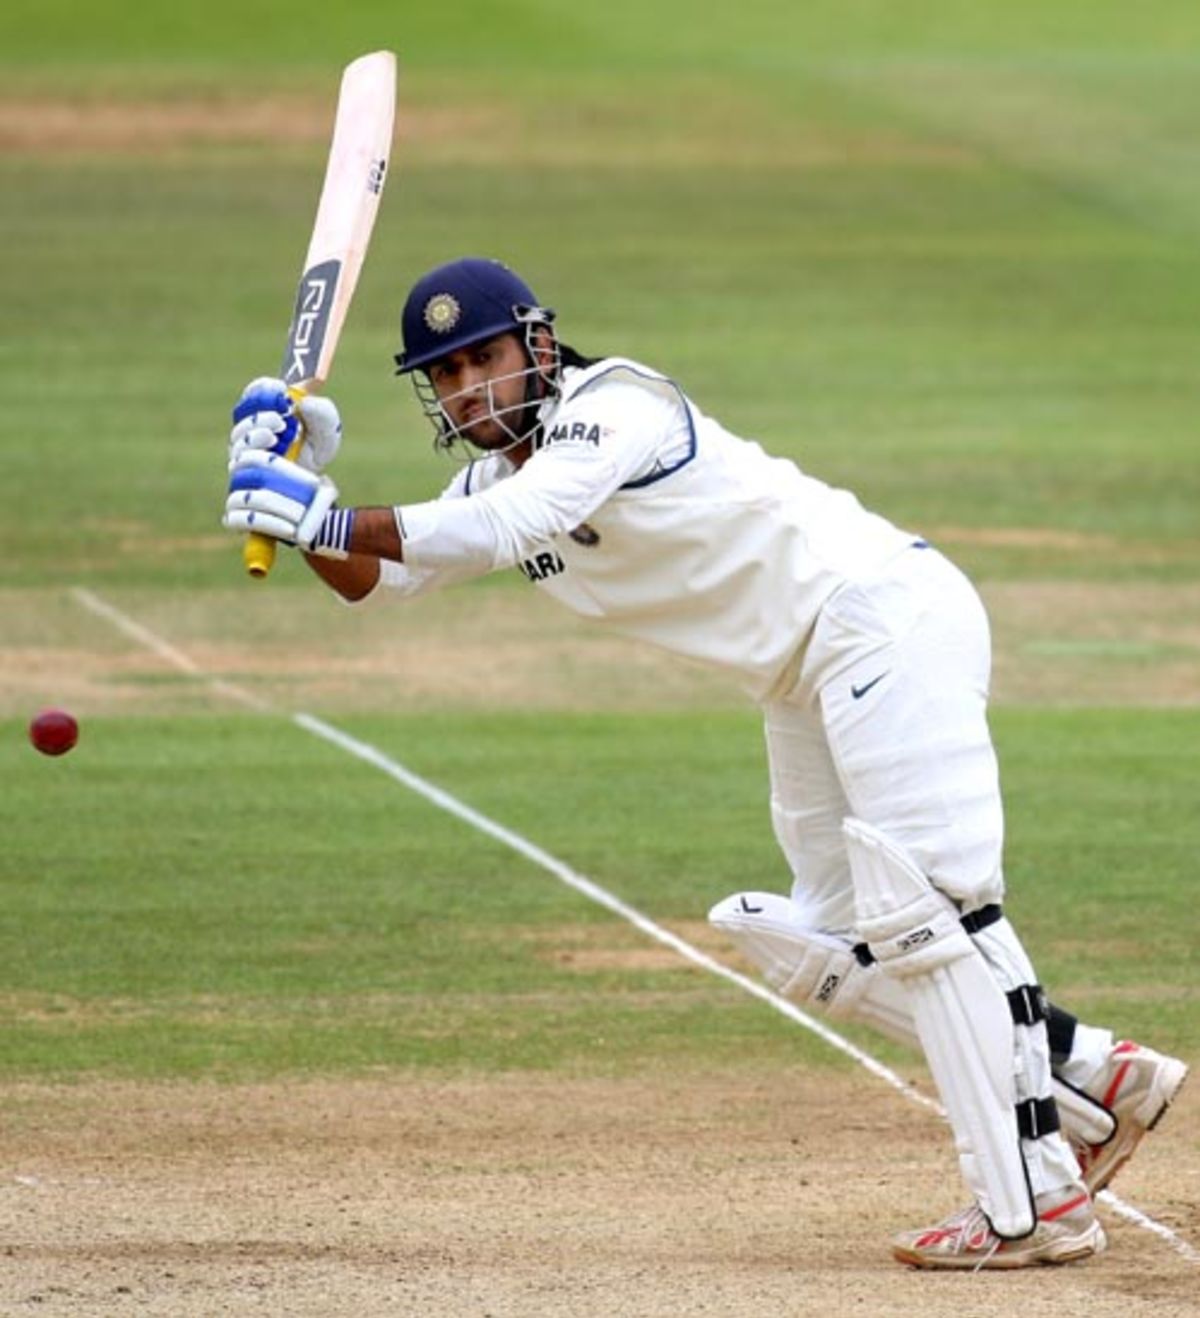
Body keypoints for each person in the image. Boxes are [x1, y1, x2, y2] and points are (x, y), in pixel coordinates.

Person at [223, 256, 1188, 1270]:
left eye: (486, 359)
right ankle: (1097, 1077)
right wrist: (294, 497)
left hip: (877, 620)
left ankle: (1029, 1205)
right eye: (446, 374)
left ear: (538, 347)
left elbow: (516, 525)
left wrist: (319, 512)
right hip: (800, 674)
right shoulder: (485, 482)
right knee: (820, 939)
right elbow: (378, 583)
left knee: (927, 911)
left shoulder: (617, 406)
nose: (469, 388)